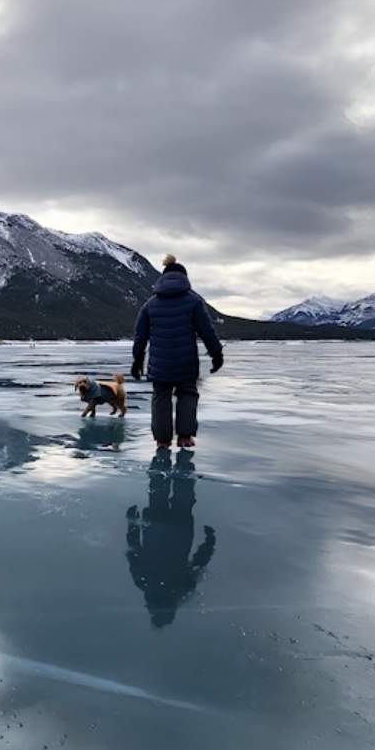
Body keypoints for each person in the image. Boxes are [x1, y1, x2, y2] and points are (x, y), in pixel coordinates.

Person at [131, 254, 223, 449]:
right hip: (186, 362)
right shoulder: (194, 301)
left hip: (160, 363)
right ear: (184, 278)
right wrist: (216, 354)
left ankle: (162, 441)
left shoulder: (150, 304)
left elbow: (140, 336)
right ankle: (185, 437)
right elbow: (207, 331)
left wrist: (137, 360)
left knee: (161, 397)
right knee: (187, 394)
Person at [125, 449, 216, 627]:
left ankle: (181, 460)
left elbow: (200, 562)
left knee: (181, 493)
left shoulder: (180, 589)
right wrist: (133, 525)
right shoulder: (146, 584)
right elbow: (134, 551)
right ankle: (165, 459)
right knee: (159, 491)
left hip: (178, 530)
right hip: (160, 528)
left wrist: (209, 542)